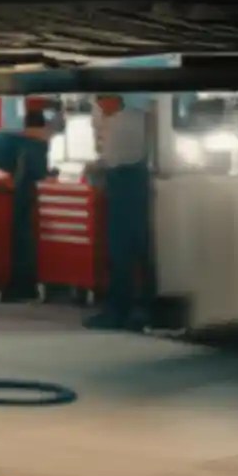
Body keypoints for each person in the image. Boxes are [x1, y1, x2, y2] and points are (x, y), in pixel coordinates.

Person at [0, 108, 59, 300]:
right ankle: (23, 286)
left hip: (4, 186)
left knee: (15, 234)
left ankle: (17, 284)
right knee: (23, 234)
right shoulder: (33, 143)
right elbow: (33, 173)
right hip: (19, 188)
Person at [84, 93, 154, 331]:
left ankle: (134, 310)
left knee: (133, 246)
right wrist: (101, 164)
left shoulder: (138, 105)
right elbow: (104, 141)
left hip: (132, 176)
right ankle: (125, 309)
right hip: (117, 175)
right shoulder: (100, 106)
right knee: (121, 247)